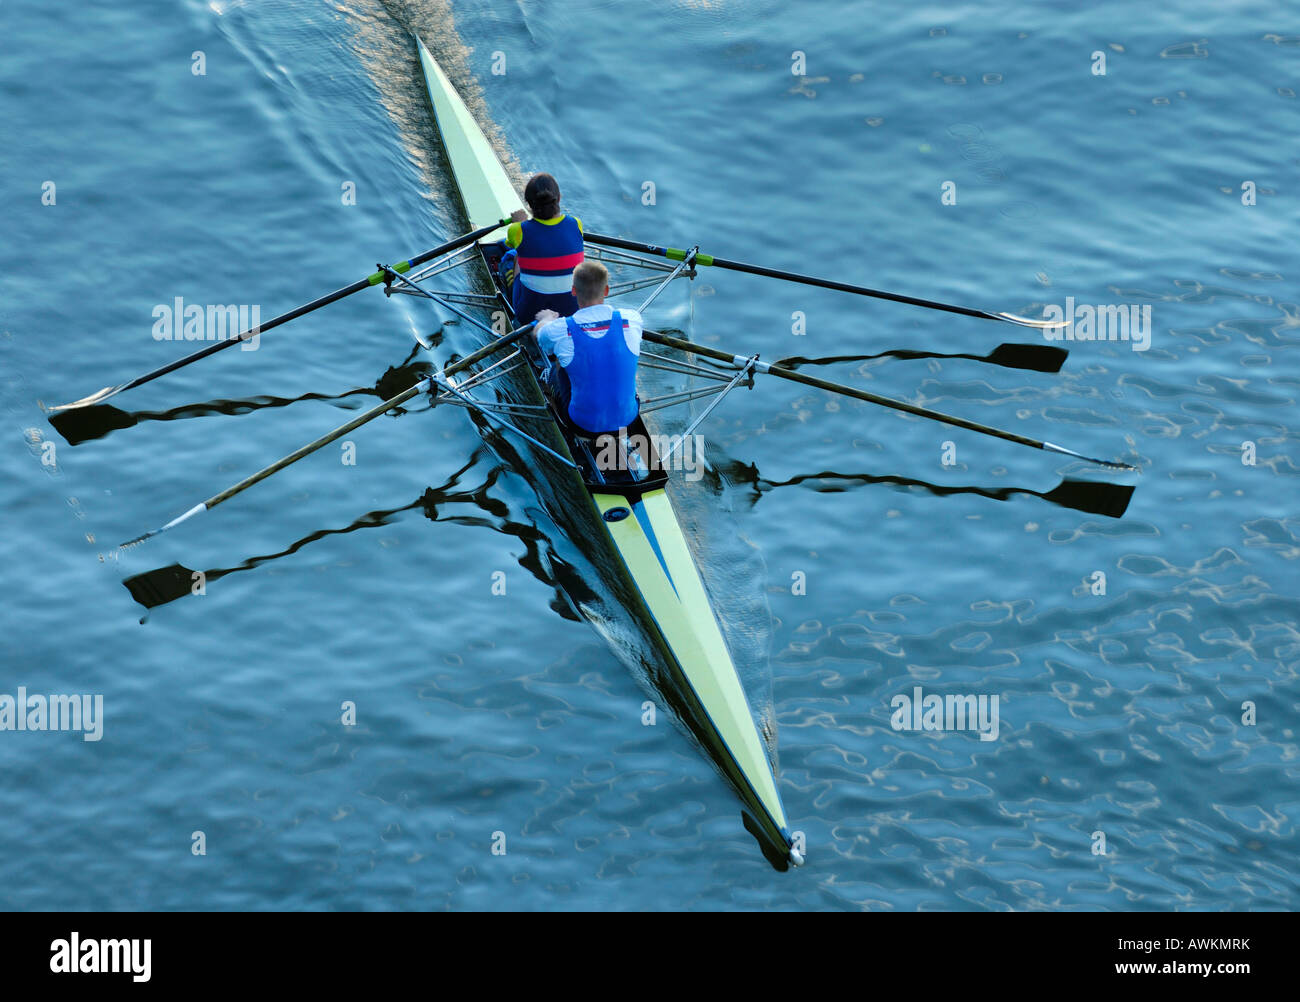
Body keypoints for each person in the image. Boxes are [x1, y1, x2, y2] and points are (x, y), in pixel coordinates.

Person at [533, 260, 641, 436]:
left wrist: (546, 318)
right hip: (629, 421)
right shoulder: (632, 319)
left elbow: (540, 337)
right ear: (606, 290)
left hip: (581, 426)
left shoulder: (561, 328)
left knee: (557, 361)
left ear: (573, 290)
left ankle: (549, 383)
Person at [499, 173, 584, 324]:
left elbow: (520, 240)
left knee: (511, 255)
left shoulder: (518, 230)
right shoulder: (576, 223)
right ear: (559, 198)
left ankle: (510, 288)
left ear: (529, 205)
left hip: (529, 315)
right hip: (572, 313)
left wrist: (520, 222)